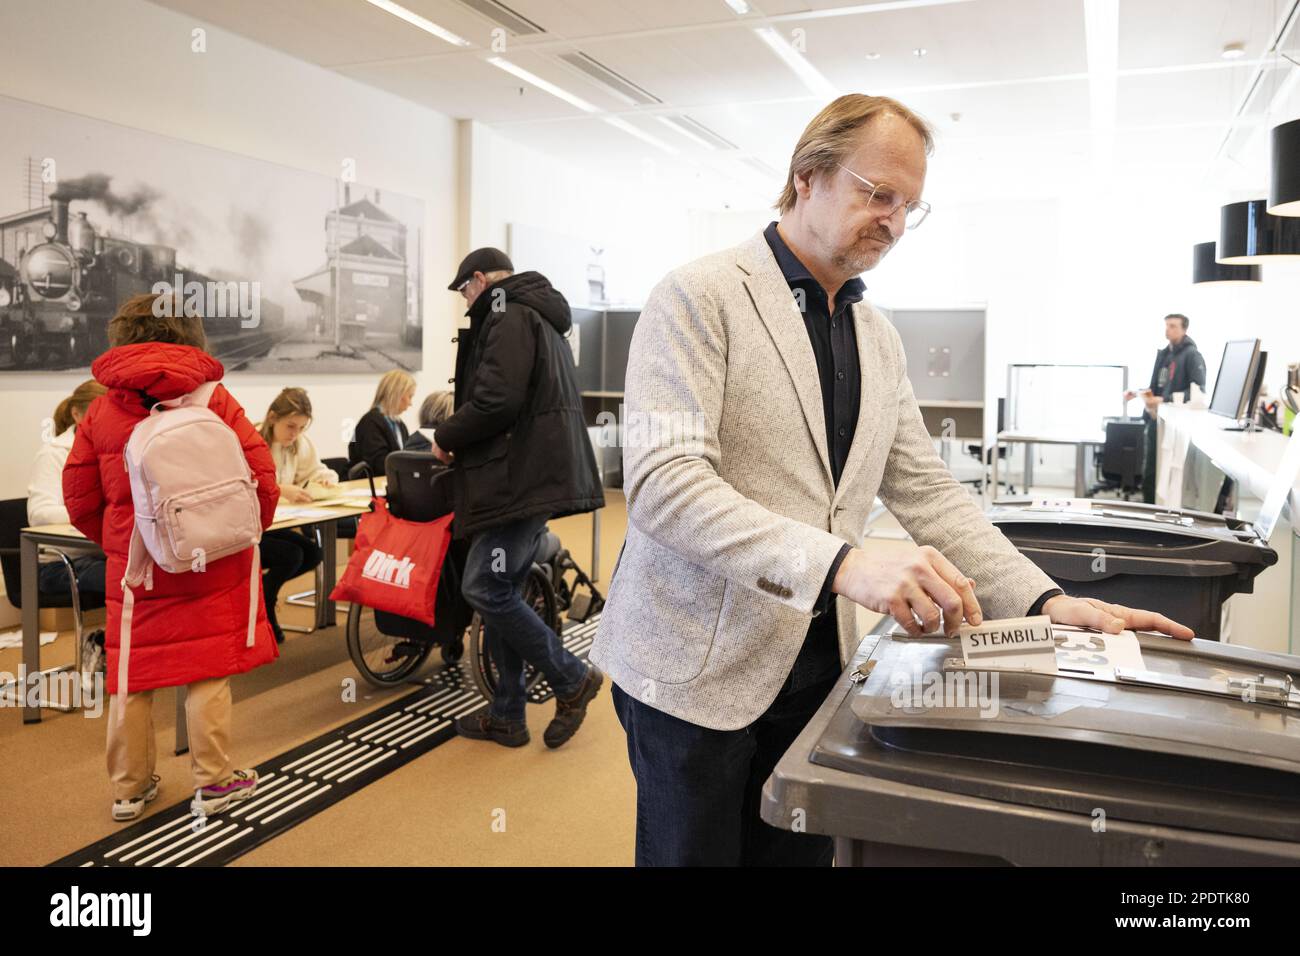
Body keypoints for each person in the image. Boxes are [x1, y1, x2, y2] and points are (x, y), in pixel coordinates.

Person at [588, 94, 1196, 867]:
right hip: (692, 672)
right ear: (807, 176)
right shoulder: (700, 296)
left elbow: (931, 495)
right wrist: (845, 562)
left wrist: (1047, 600)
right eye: (879, 194)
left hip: (814, 674)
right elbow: (665, 484)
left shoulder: (875, 335)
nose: (895, 221)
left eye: (910, 205)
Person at [63, 292, 280, 822]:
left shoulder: (102, 408)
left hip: (138, 569)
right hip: (212, 559)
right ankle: (215, 782)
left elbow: (78, 497)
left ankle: (129, 791)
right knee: (208, 671)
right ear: (190, 334)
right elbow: (263, 482)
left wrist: (121, 541)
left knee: (133, 677)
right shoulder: (216, 400)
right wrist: (229, 535)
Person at [433, 247, 605, 749]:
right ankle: (508, 712)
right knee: (501, 587)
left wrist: (446, 436)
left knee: (485, 586)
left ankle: (571, 677)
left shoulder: (506, 313)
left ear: (479, 279)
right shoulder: (539, 315)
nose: (466, 302)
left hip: (518, 479)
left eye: (465, 291)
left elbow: (496, 400)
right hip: (525, 477)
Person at [27, 379, 109, 679]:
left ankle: (120, 649)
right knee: (128, 579)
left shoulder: (108, 451)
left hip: (99, 553)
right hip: (59, 564)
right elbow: (39, 515)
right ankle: (102, 643)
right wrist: (96, 515)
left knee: (147, 573)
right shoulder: (54, 454)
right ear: (77, 414)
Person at [257, 387, 333, 644]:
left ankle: (265, 593)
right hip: (249, 529)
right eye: (291, 426)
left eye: (301, 428)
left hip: (276, 525)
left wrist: (324, 480)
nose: (295, 434)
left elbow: (316, 470)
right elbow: (243, 486)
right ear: (272, 418)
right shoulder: (253, 442)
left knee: (314, 553)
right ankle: (266, 599)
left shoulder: (298, 443)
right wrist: (280, 491)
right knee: (292, 554)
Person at [1123, 313, 1206, 503]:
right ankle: (1148, 511)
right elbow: (1156, 387)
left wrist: (1165, 399)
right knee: (1150, 471)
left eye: (1173, 326)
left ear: (1184, 329)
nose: (1168, 330)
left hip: (1175, 426)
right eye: (1166, 325)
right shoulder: (1164, 355)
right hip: (1155, 420)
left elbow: (1198, 390)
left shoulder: (1192, 356)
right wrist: (1137, 393)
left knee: (1165, 474)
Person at [349, 369, 414, 477]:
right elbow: (378, 465)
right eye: (410, 396)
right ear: (397, 394)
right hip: (366, 485)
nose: (410, 403)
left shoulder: (400, 425)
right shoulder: (370, 423)